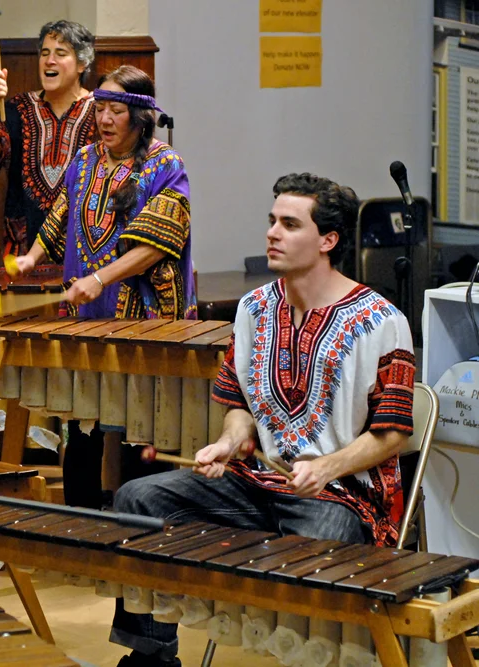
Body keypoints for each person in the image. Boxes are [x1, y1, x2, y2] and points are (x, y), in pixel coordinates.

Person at [110, 173, 416, 667]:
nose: (272, 232)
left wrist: (328, 468)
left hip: (339, 499)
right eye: (272, 221)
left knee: (318, 537)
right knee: (137, 498)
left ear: (327, 241)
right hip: (256, 486)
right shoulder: (255, 309)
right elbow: (240, 404)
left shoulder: (382, 320)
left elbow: (393, 432)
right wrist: (229, 443)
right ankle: (151, 655)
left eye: (290, 224)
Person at [11, 65, 195, 509]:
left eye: (116, 111)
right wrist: (31, 258)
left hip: (146, 324)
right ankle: (81, 523)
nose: (105, 119)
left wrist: (99, 278)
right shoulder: (86, 158)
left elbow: (158, 245)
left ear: (141, 117)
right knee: (82, 427)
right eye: (101, 110)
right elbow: (61, 216)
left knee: (140, 434)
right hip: (87, 319)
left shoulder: (166, 165)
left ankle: (142, 527)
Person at [0, 19, 97, 256]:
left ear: (82, 64)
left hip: (83, 255)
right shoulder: (18, 108)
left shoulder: (101, 112)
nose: (50, 60)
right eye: (45, 53)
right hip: (22, 252)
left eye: (61, 53)